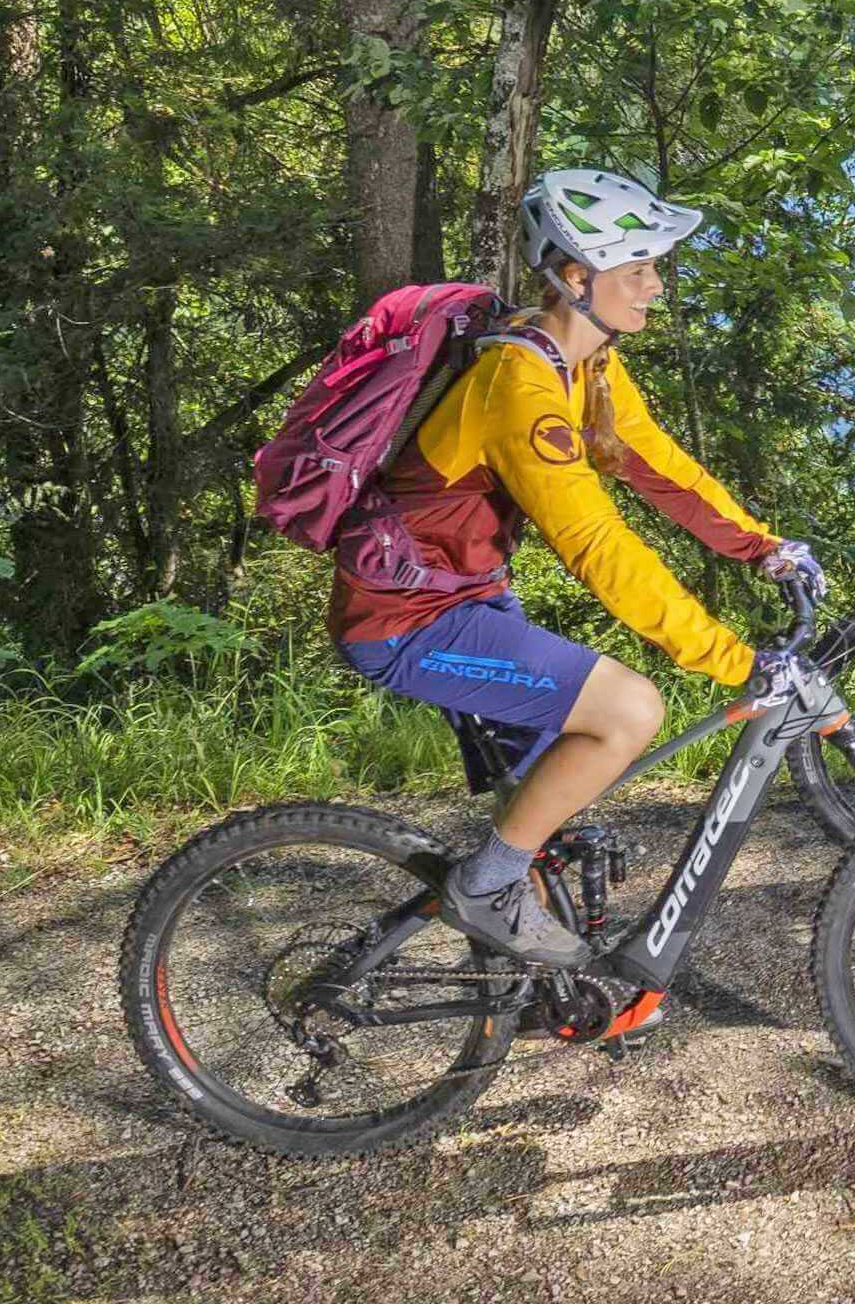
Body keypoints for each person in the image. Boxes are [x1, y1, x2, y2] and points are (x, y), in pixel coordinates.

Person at [331, 168, 821, 968]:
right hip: (404, 624)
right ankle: (488, 887)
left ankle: (529, 974)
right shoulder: (519, 385)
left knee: (559, 795)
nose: (656, 288)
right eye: (638, 271)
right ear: (574, 277)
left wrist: (761, 545)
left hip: (467, 601)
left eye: (654, 269)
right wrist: (730, 658)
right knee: (628, 713)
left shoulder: (580, 362)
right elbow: (598, 546)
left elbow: (656, 465)